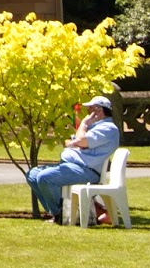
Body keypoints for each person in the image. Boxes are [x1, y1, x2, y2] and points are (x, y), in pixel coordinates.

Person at [26, 95, 121, 223]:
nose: (87, 113)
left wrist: (83, 124)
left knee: (45, 178)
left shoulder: (108, 128)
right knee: (32, 174)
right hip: (72, 166)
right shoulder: (96, 127)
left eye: (90, 110)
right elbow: (75, 141)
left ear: (99, 110)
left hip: (86, 171)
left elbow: (81, 141)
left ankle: (60, 215)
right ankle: (59, 212)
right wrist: (75, 141)